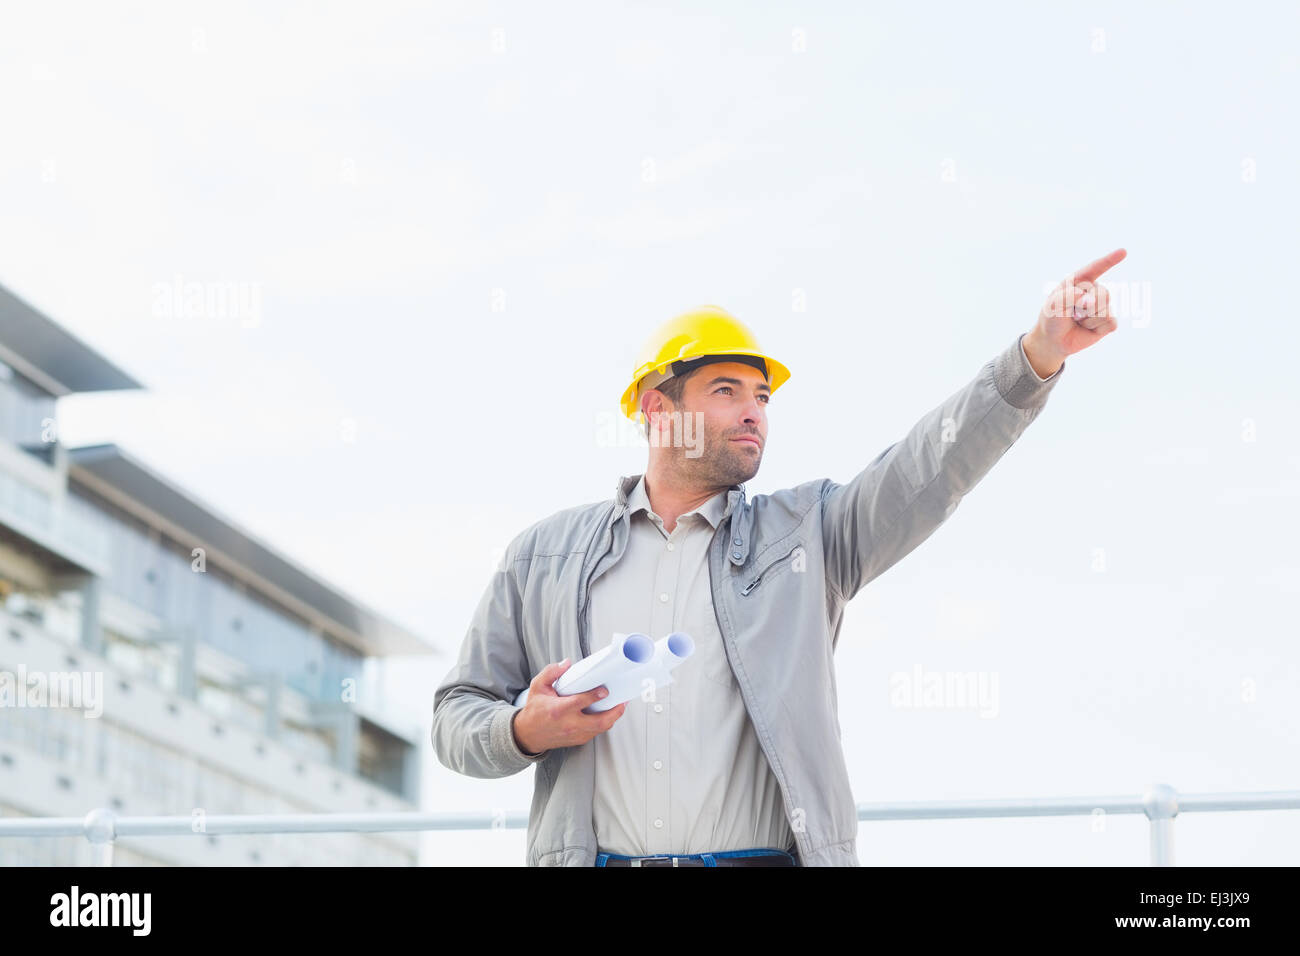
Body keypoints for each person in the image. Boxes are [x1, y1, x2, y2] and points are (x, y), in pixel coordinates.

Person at [431, 249, 1126, 866]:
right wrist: (522, 729)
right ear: (657, 408)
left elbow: (927, 469)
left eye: (761, 396)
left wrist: (1035, 357)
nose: (754, 412)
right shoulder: (542, 557)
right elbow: (454, 716)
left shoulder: (808, 536)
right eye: (726, 391)